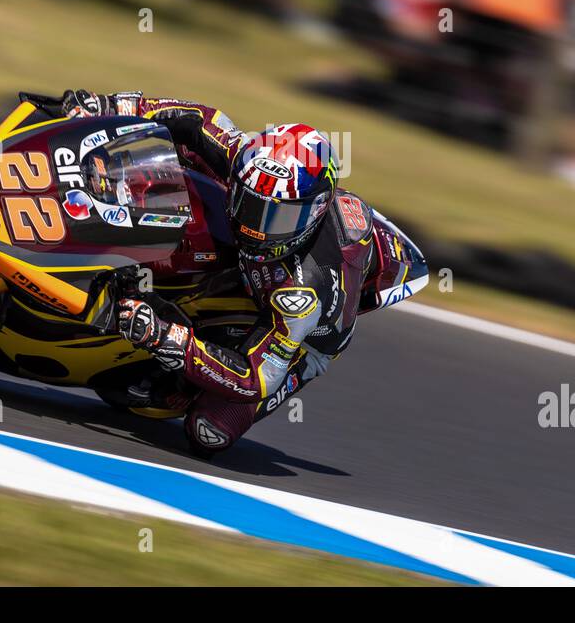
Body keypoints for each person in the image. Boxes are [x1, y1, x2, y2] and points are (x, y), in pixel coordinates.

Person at [59, 89, 387, 456]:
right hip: (257, 266)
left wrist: (169, 340)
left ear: (311, 214)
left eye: (273, 217)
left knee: (208, 431)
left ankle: (183, 384)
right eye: (247, 203)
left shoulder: (302, 294)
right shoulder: (253, 165)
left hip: (300, 343)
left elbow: (256, 377)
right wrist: (109, 106)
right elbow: (201, 119)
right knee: (183, 159)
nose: (253, 227)